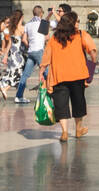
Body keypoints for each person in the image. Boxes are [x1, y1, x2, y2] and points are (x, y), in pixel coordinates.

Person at [41, 11, 95, 142]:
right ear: (72, 23)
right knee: (78, 102)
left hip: (59, 75)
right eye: (77, 21)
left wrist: (41, 72)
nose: (78, 23)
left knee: (61, 104)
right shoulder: (81, 34)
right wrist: (93, 62)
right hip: (77, 74)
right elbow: (92, 50)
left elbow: (46, 56)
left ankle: (64, 132)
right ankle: (78, 129)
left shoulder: (55, 37)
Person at [14, 6, 50, 105]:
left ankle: (19, 96)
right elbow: (47, 38)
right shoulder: (43, 23)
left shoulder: (28, 24)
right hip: (39, 51)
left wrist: (30, 45)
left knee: (25, 75)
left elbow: (24, 39)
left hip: (31, 51)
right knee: (47, 72)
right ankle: (51, 94)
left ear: (33, 13)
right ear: (41, 13)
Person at [0, 9, 27, 100]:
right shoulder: (22, 28)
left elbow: (9, 43)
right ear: (21, 17)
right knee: (19, 75)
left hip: (12, 54)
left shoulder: (11, 28)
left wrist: (5, 56)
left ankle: (19, 96)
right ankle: (5, 88)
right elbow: (25, 41)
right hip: (19, 55)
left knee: (13, 72)